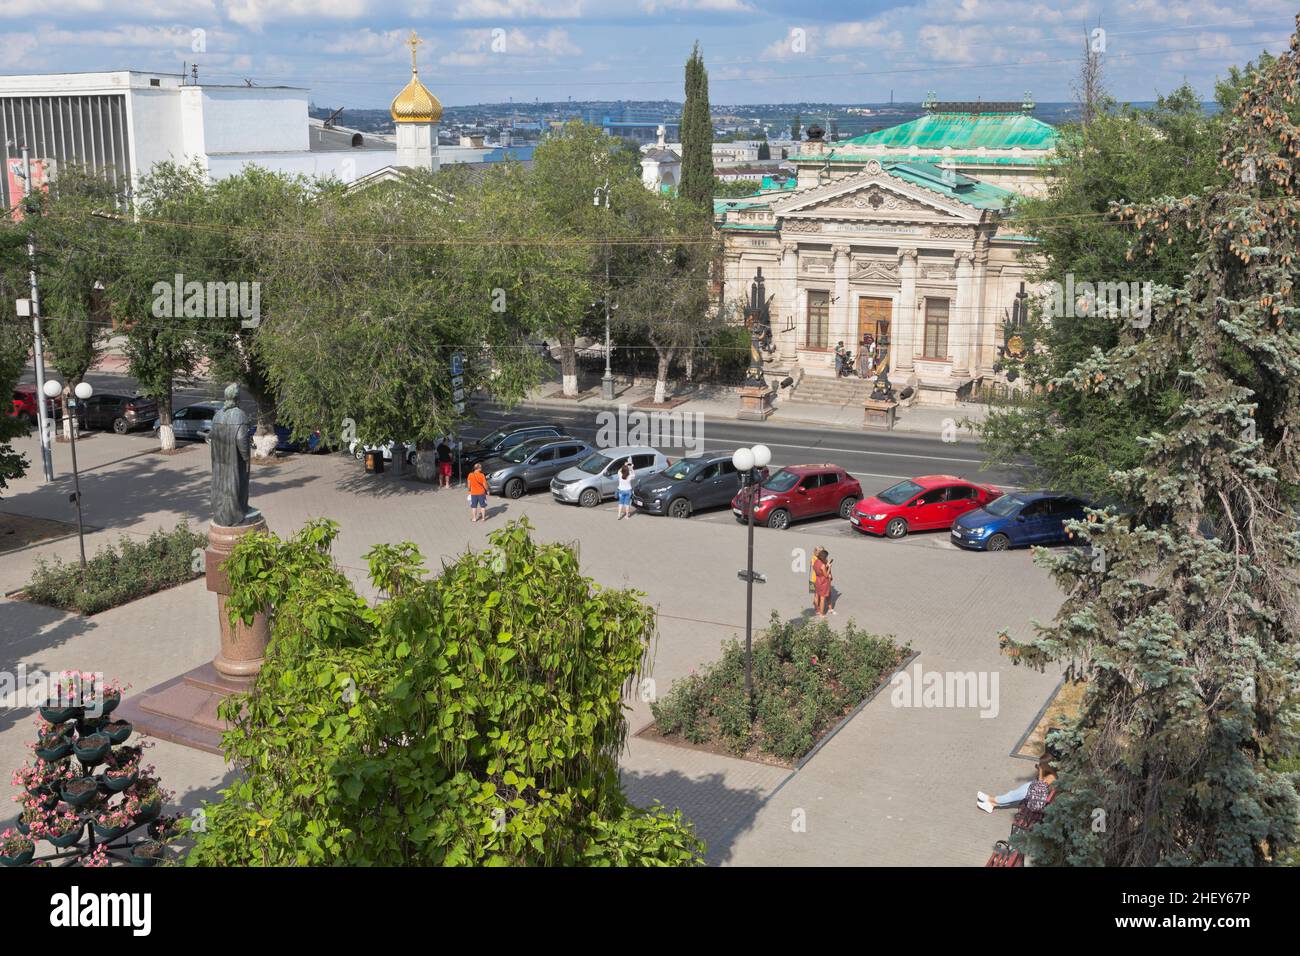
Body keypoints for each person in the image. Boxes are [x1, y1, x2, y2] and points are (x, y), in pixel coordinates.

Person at [977, 749, 1058, 813]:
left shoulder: (1052, 776)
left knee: (1011, 795)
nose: (1040, 764)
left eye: (1042, 763)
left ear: (1048, 765)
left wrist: (1040, 771)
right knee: (1012, 794)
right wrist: (1041, 770)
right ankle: (991, 804)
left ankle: (991, 799)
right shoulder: (1049, 772)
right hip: (1033, 787)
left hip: (1034, 792)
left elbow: (1040, 785)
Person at [812, 547, 833, 617]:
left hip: (817, 580)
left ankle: (817, 610)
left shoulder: (816, 562)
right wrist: (829, 567)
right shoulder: (823, 565)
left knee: (817, 595)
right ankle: (821, 614)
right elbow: (826, 575)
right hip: (823, 582)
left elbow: (816, 569)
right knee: (822, 599)